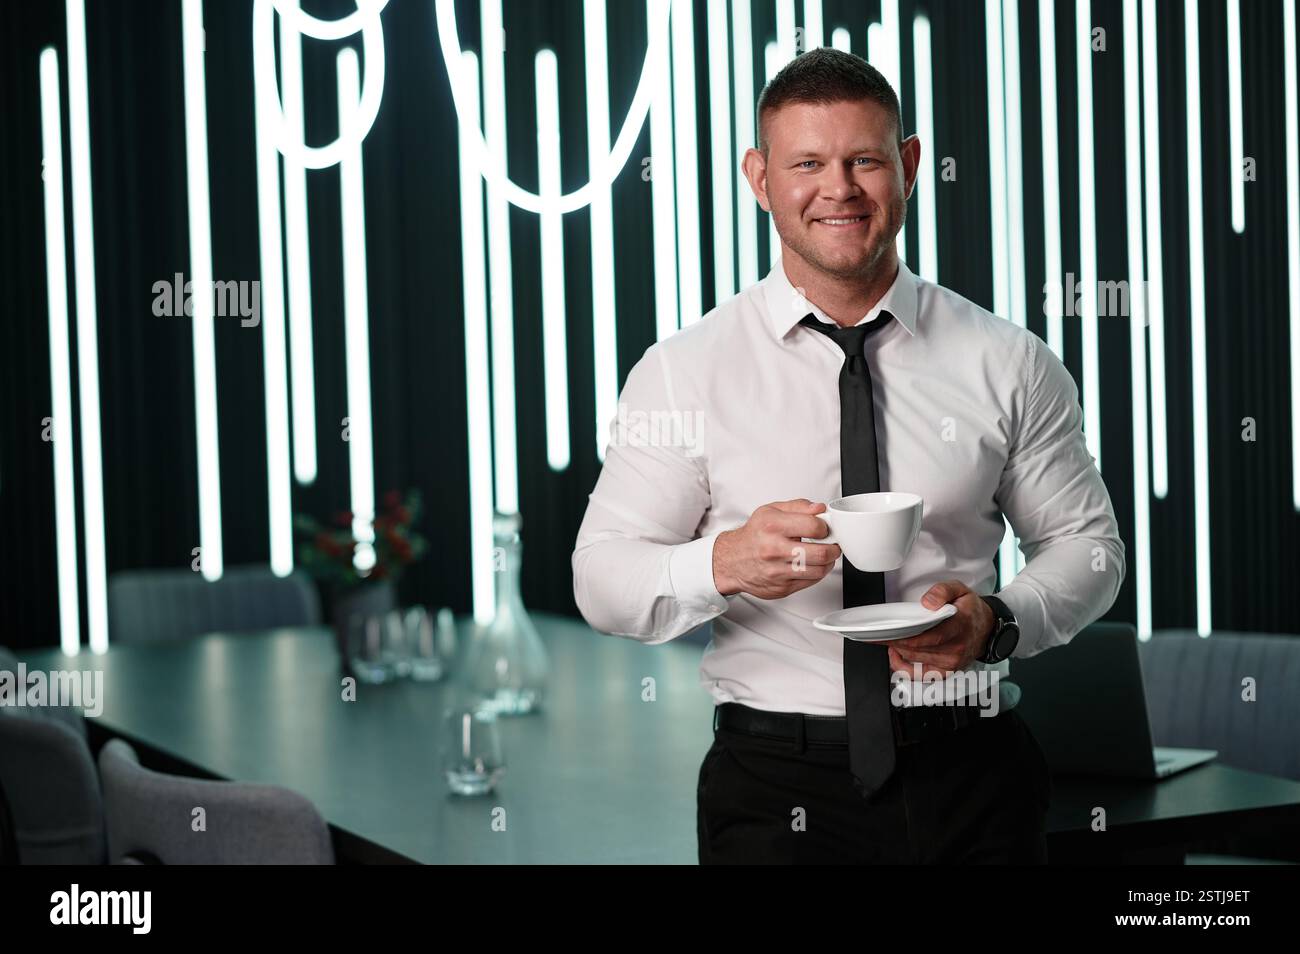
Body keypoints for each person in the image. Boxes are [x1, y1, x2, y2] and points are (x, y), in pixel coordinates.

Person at [571, 48, 1125, 864]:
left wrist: (998, 622)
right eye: (807, 164)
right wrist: (722, 563)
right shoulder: (684, 371)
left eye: (864, 160)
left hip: (972, 776)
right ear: (761, 180)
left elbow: (1091, 548)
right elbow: (602, 580)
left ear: (907, 167)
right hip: (771, 787)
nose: (839, 189)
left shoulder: (1006, 359)